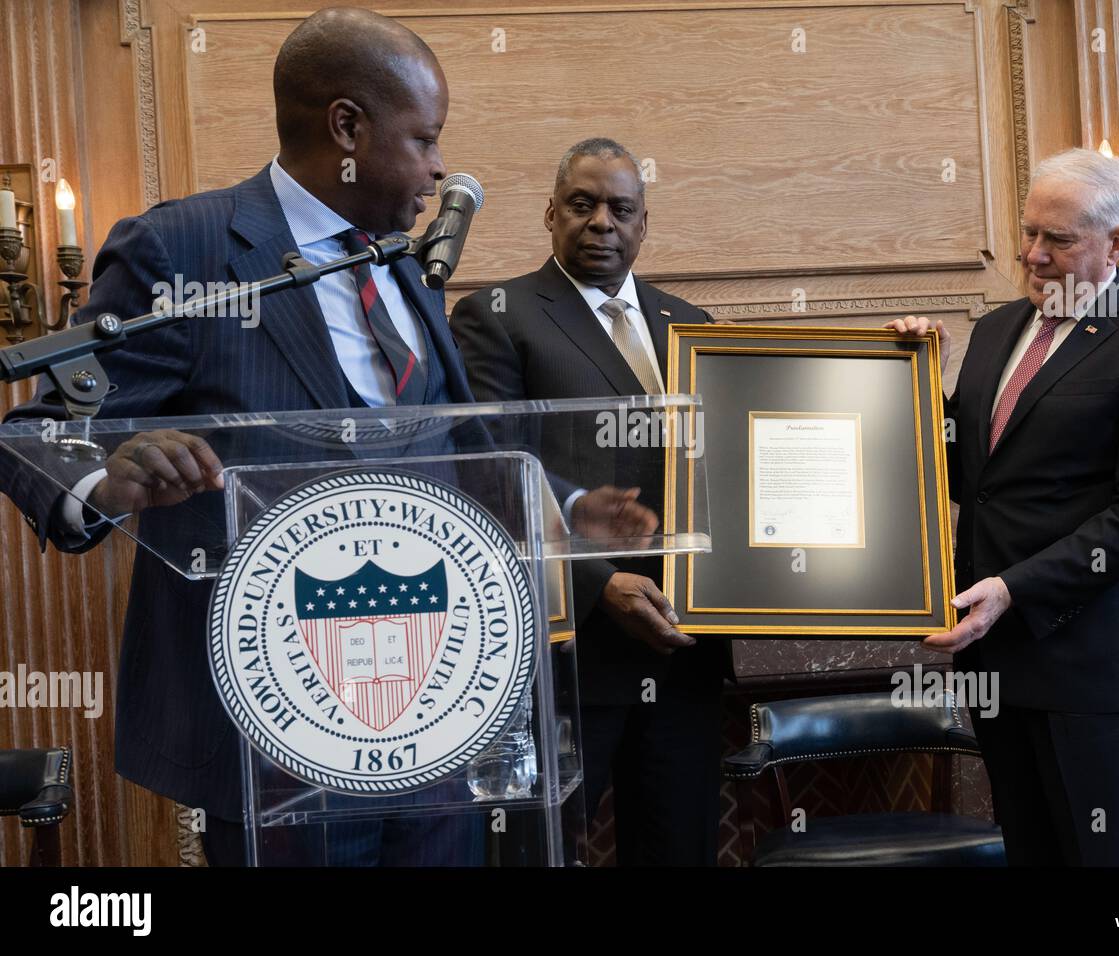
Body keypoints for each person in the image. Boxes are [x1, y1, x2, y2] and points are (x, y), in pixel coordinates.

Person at [0, 9, 644, 866]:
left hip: (438, 712)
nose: (440, 165)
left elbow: (458, 440)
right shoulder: (183, 248)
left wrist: (561, 506)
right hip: (276, 725)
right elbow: (37, 431)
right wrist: (108, 480)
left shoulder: (399, 264)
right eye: (425, 138)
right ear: (347, 127)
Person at [887, 148, 1119, 866]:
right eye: (1028, 233)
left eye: (1056, 240)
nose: (1032, 255)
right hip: (995, 659)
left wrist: (1013, 589)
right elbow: (972, 474)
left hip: (1086, 663)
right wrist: (906, 384)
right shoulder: (998, 329)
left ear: (1118, 243)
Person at [451, 138, 730, 865]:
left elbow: (733, 474)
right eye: (583, 204)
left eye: (621, 208)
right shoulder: (499, 315)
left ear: (645, 225)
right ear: (551, 214)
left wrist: (896, 363)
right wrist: (598, 582)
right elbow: (487, 474)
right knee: (536, 854)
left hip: (684, 652)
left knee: (680, 851)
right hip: (567, 653)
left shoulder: (692, 326)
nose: (602, 222)